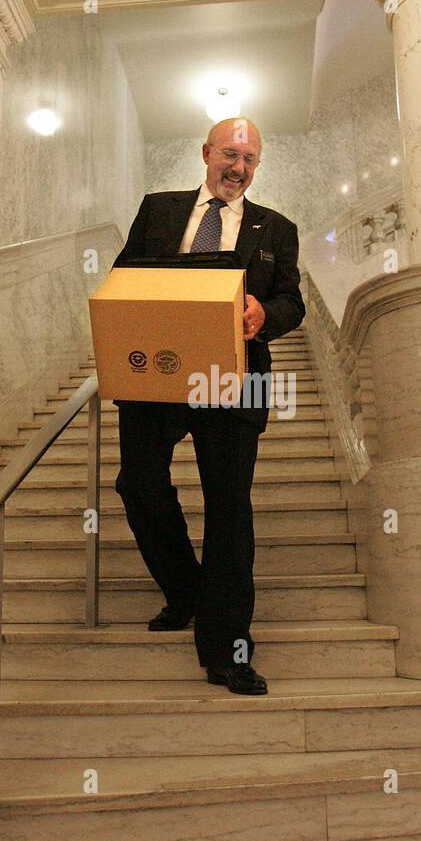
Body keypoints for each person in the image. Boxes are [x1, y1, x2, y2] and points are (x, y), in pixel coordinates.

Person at [111, 117, 305, 695]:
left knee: (229, 509)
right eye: (230, 154)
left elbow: (292, 299)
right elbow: (123, 275)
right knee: (138, 484)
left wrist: (264, 315)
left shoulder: (278, 229)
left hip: (238, 378)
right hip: (157, 371)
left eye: (250, 160)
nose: (239, 168)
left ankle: (227, 651)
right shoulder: (159, 209)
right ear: (205, 153)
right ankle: (187, 592)